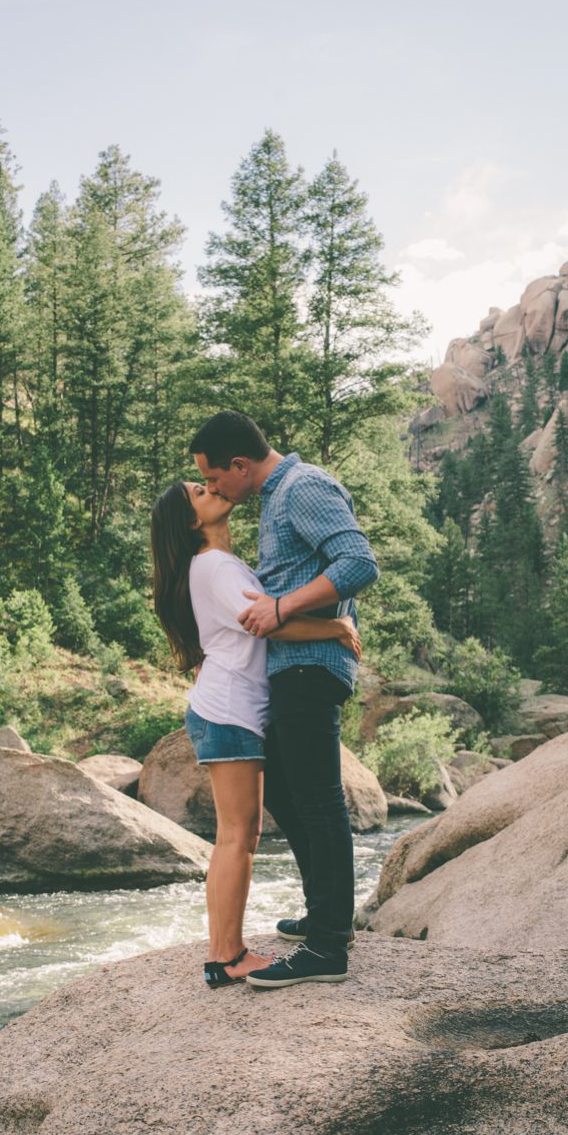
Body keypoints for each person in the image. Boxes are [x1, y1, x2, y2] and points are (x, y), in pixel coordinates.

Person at [188, 410, 378, 989]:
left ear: (240, 465)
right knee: (294, 802)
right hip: (289, 669)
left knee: (316, 802)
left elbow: (359, 563)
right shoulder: (275, 498)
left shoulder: (303, 487)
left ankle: (327, 948)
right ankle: (328, 919)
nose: (215, 489)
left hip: (312, 669)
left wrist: (284, 607)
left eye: (214, 478)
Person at [149, 478, 361, 988]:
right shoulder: (215, 565)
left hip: (235, 710)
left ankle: (227, 951)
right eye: (198, 492)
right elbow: (266, 623)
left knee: (243, 835)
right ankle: (226, 957)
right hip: (229, 711)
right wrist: (336, 627)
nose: (210, 488)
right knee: (237, 837)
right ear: (191, 521)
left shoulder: (221, 565)